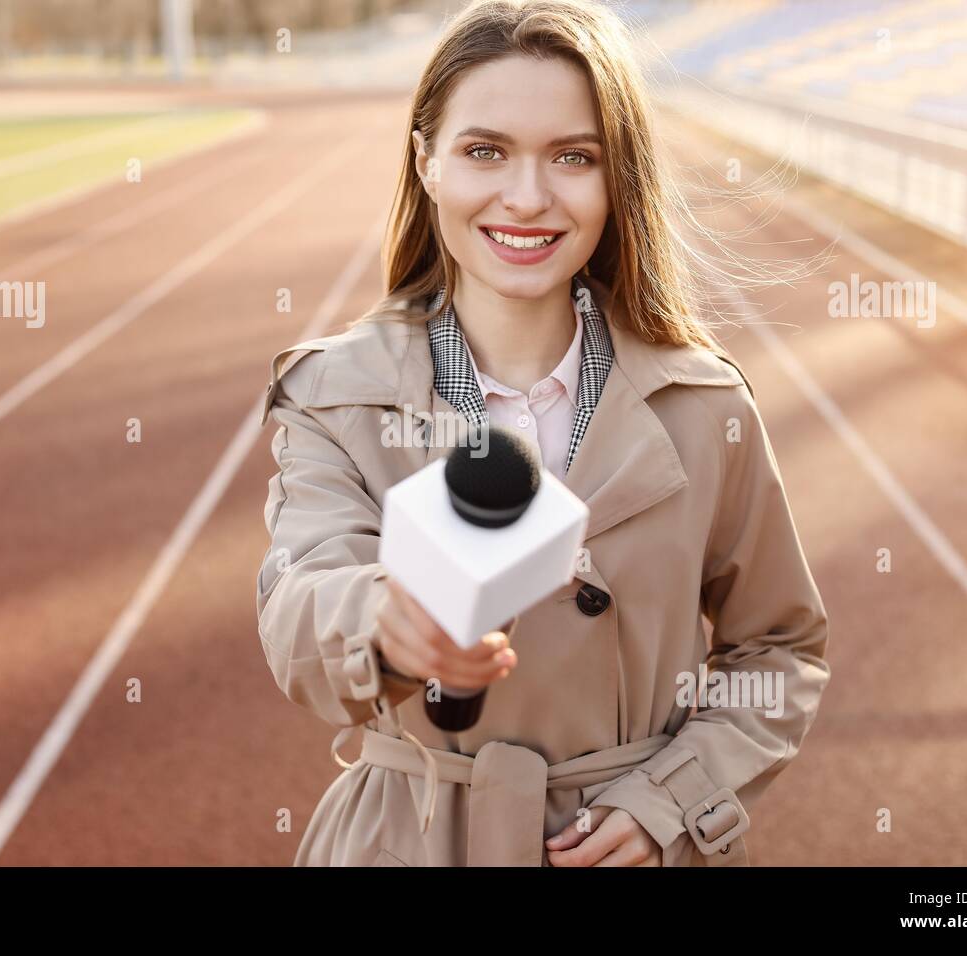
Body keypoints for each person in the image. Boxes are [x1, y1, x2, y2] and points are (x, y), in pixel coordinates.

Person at [255, 0, 831, 867]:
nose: (527, 197)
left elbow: (779, 649)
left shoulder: (707, 408)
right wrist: (382, 619)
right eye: (485, 150)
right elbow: (299, 609)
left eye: (573, 157)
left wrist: (674, 800)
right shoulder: (337, 397)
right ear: (427, 162)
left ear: (617, 178)